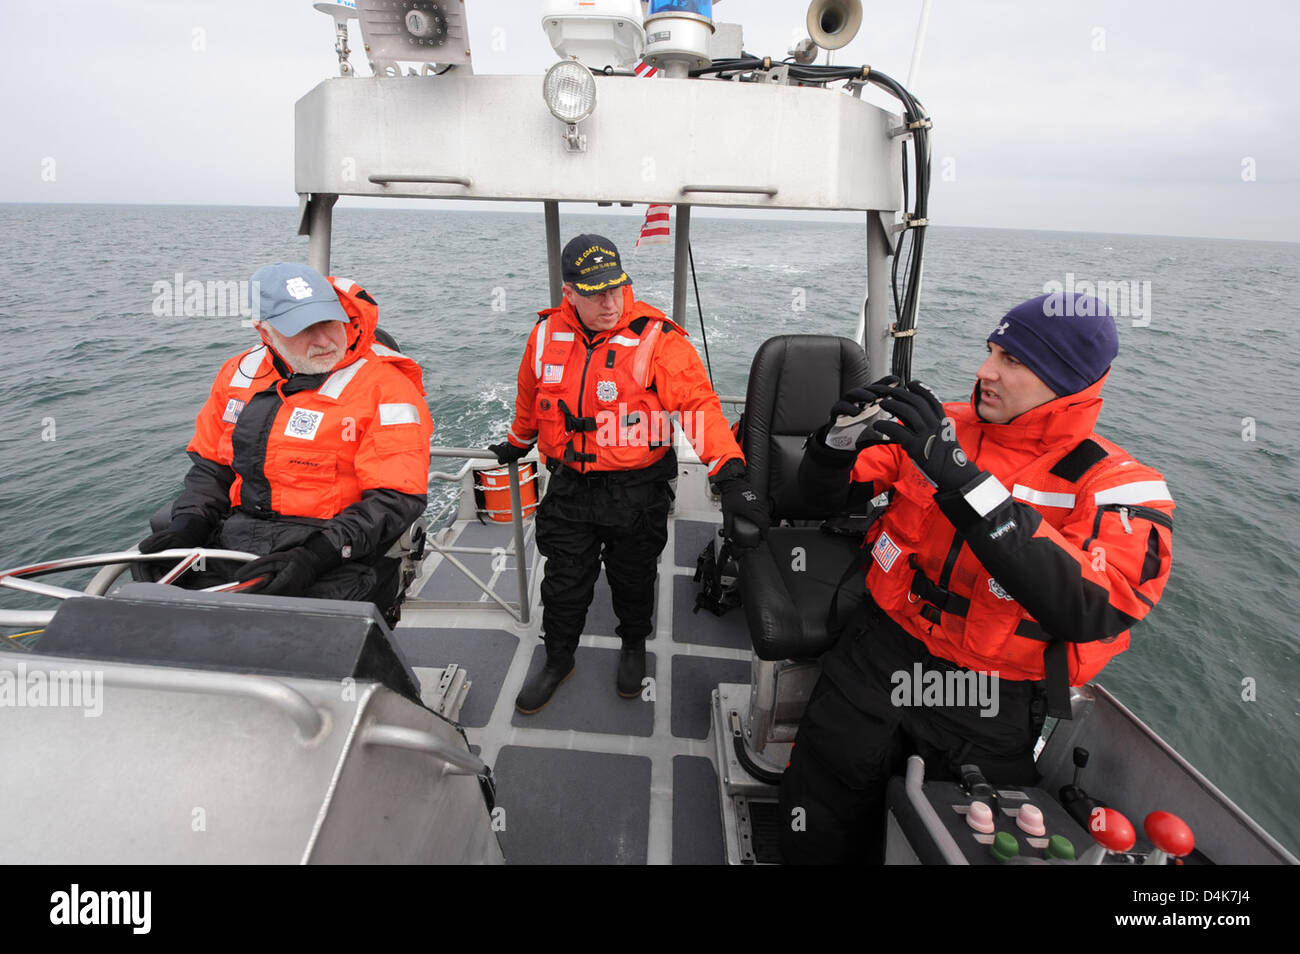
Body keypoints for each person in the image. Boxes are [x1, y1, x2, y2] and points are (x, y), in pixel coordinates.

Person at [778, 291, 1175, 864]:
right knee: (817, 806)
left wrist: (961, 480)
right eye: (991, 352)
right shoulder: (938, 431)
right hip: (878, 652)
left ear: (1068, 382)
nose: (986, 372)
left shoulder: (1117, 486)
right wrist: (832, 444)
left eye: (1013, 361)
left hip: (990, 699)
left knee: (953, 839)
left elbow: (1091, 607)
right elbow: (819, 499)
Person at [490, 234, 768, 713]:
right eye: (595, 291)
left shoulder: (657, 338)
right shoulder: (543, 336)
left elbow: (698, 405)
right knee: (563, 582)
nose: (609, 301)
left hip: (635, 492)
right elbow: (531, 399)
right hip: (571, 487)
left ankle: (633, 646)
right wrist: (518, 442)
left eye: (616, 287)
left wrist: (729, 472)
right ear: (569, 291)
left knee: (634, 578)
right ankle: (559, 659)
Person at [137, 263, 434, 617]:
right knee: (150, 606)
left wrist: (315, 556)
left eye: (328, 321)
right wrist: (188, 526)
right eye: (302, 329)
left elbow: (395, 497)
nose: (323, 341)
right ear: (265, 331)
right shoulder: (237, 376)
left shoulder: (387, 388)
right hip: (236, 538)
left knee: (284, 642)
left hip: (339, 551)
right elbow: (213, 468)